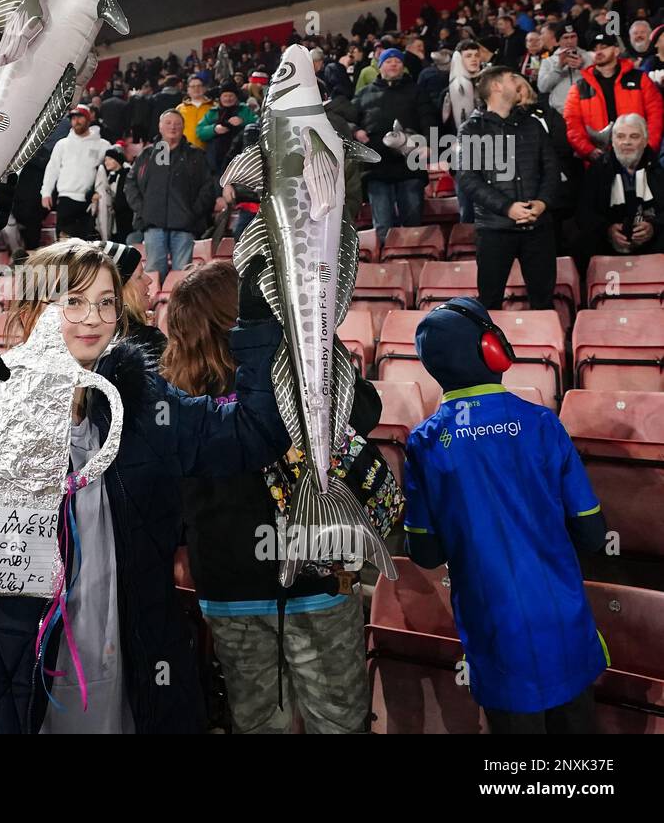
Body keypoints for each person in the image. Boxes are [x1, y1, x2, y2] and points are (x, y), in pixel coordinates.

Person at [0, 239, 290, 733]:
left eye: (105, 301)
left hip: (136, 686)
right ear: (34, 309)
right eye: (74, 301)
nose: (92, 319)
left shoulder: (143, 403)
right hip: (15, 692)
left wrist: (255, 325)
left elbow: (252, 434)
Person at [161, 261, 399, 733]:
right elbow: (367, 410)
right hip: (317, 580)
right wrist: (307, 341)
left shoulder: (172, 400)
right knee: (339, 722)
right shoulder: (296, 374)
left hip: (228, 587)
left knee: (258, 724)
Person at [404, 298, 607, 734]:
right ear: (492, 349)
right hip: (562, 623)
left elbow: (422, 551)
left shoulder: (424, 443)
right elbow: (592, 532)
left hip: (491, 630)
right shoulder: (542, 423)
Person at [455, 66, 561, 311]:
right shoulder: (471, 129)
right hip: (494, 230)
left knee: (543, 302)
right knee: (490, 303)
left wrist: (543, 202)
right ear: (496, 86)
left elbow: (552, 170)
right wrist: (507, 208)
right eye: (513, 77)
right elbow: (468, 179)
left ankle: (542, 348)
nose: (519, 83)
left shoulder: (533, 125)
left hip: (538, 227)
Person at [353, 48, 436, 243]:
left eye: (397, 61)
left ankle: (413, 264)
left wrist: (430, 143)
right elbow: (347, 119)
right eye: (388, 61)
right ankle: (387, 268)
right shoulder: (363, 94)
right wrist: (355, 130)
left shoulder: (416, 90)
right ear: (380, 66)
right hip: (376, 168)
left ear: (403, 66)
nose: (393, 64)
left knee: (412, 222)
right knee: (383, 227)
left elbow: (428, 119)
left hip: (409, 166)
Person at [125, 110, 217, 285]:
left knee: (183, 275)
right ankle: (151, 310)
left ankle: (180, 311)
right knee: (153, 272)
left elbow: (208, 187)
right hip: (152, 224)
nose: (173, 127)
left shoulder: (195, 155)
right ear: (160, 127)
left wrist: (193, 212)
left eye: (177, 123)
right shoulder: (148, 154)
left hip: (184, 225)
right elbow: (130, 184)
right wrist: (143, 210)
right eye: (168, 123)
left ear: (183, 127)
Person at [564, 32, 664, 166]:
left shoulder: (640, 79)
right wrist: (589, 151)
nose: (598, 52)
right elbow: (572, 125)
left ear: (617, 50)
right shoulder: (579, 88)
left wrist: (649, 148)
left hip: (640, 158)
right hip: (599, 163)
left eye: (603, 47)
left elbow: (656, 115)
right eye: (594, 49)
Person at [578, 113, 663, 257]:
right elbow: (584, 213)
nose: (626, 142)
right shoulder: (598, 170)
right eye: (620, 136)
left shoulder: (659, 169)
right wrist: (608, 230)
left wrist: (654, 227)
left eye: (634, 136)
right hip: (606, 246)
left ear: (645, 140)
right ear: (613, 141)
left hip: (655, 245)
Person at [41, 105, 111, 240]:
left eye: (80, 117)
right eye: (73, 118)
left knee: (89, 248)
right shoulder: (62, 144)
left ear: (88, 119)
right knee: (64, 247)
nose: (76, 121)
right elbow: (52, 168)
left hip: (90, 202)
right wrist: (46, 192)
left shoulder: (103, 145)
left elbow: (111, 169)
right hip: (66, 199)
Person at [96, 240, 165, 359]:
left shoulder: (86, 339)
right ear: (118, 290)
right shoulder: (148, 341)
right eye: (139, 276)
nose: (149, 280)